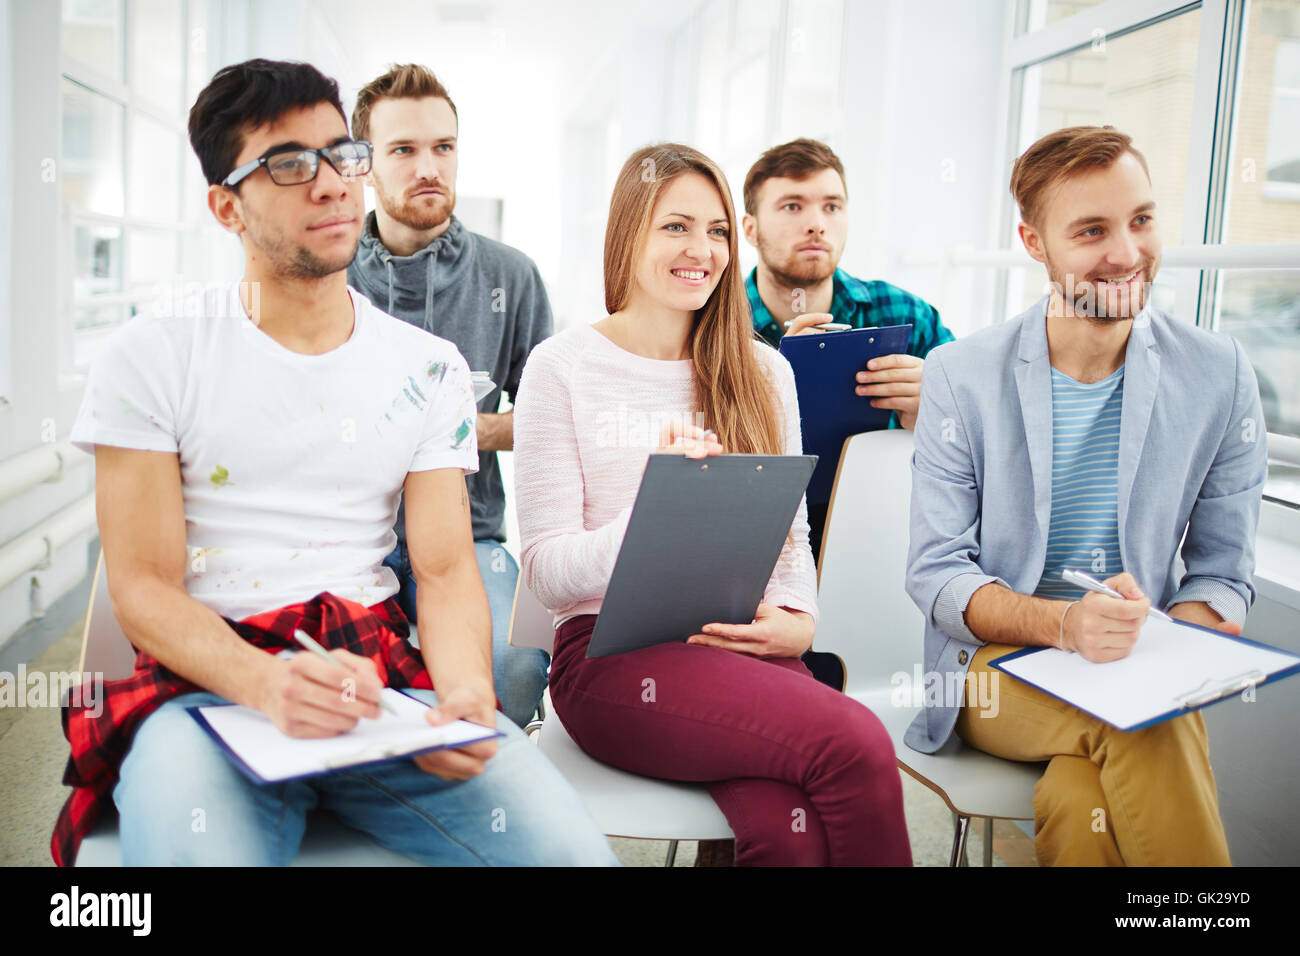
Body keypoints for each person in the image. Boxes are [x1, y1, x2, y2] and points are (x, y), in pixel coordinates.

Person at [53, 58, 614, 867]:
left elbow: (449, 568)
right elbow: (141, 587)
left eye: (342, 154)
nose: (331, 184)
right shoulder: (151, 355)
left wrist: (462, 694)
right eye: (288, 163)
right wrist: (262, 683)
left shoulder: (429, 367)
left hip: (377, 683)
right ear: (225, 206)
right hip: (204, 688)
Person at [513, 142, 912, 867]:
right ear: (628, 232)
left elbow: (790, 534)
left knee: (793, 830)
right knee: (857, 744)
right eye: (676, 227)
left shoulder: (763, 369)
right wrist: (649, 516)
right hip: (611, 655)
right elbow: (545, 573)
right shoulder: (561, 367)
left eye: (719, 230)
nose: (702, 249)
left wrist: (799, 619)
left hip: (741, 643)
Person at [904, 125, 1267, 866]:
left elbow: (1223, 570)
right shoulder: (960, 374)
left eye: (1141, 220)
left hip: (1129, 660)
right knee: (1151, 721)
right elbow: (938, 574)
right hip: (991, 672)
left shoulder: (1219, 373)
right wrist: (1066, 626)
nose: (1128, 254)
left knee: (1079, 797)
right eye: (1092, 230)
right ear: (1034, 244)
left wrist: (1177, 641)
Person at [347, 64, 552, 729]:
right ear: (365, 166)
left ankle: (483, 794)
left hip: (474, 537)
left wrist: (462, 428)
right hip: (349, 541)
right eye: (403, 150)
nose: (427, 166)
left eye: (443, 147)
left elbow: (547, 419)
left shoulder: (512, 277)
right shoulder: (328, 272)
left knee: (514, 663)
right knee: (337, 679)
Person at [741, 138, 955, 557]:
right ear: (750, 229)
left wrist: (937, 408)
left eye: (832, 206)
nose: (816, 224)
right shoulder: (711, 325)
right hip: (751, 537)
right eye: (792, 206)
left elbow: (980, 434)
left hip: (880, 538)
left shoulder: (905, 314)